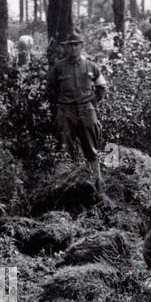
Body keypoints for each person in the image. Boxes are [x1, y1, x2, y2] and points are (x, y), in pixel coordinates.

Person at [46, 30, 108, 195]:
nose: (73, 49)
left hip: (86, 110)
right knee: (66, 148)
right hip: (66, 112)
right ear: (65, 48)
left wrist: (92, 103)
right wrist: (58, 109)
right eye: (70, 46)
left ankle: (97, 185)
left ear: (81, 46)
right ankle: (69, 188)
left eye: (76, 45)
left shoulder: (91, 66)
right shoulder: (59, 67)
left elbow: (101, 86)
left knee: (92, 149)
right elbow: (50, 89)